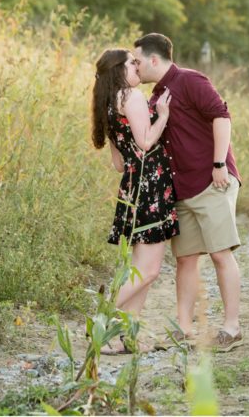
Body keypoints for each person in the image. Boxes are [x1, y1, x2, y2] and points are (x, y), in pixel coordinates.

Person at [132, 33, 244, 352]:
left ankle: (232, 328)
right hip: (181, 189)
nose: (135, 67)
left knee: (221, 253)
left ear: (154, 59)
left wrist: (219, 163)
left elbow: (221, 117)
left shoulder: (191, 80)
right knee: (186, 259)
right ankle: (183, 328)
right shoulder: (157, 96)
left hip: (212, 181)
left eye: (138, 61)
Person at [90, 48, 176, 354]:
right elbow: (146, 141)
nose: (137, 67)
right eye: (131, 63)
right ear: (119, 70)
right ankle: (99, 323)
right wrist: (162, 116)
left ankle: (128, 336)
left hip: (131, 186)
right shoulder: (132, 96)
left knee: (140, 270)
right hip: (150, 186)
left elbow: (118, 163)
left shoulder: (108, 103)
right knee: (149, 270)